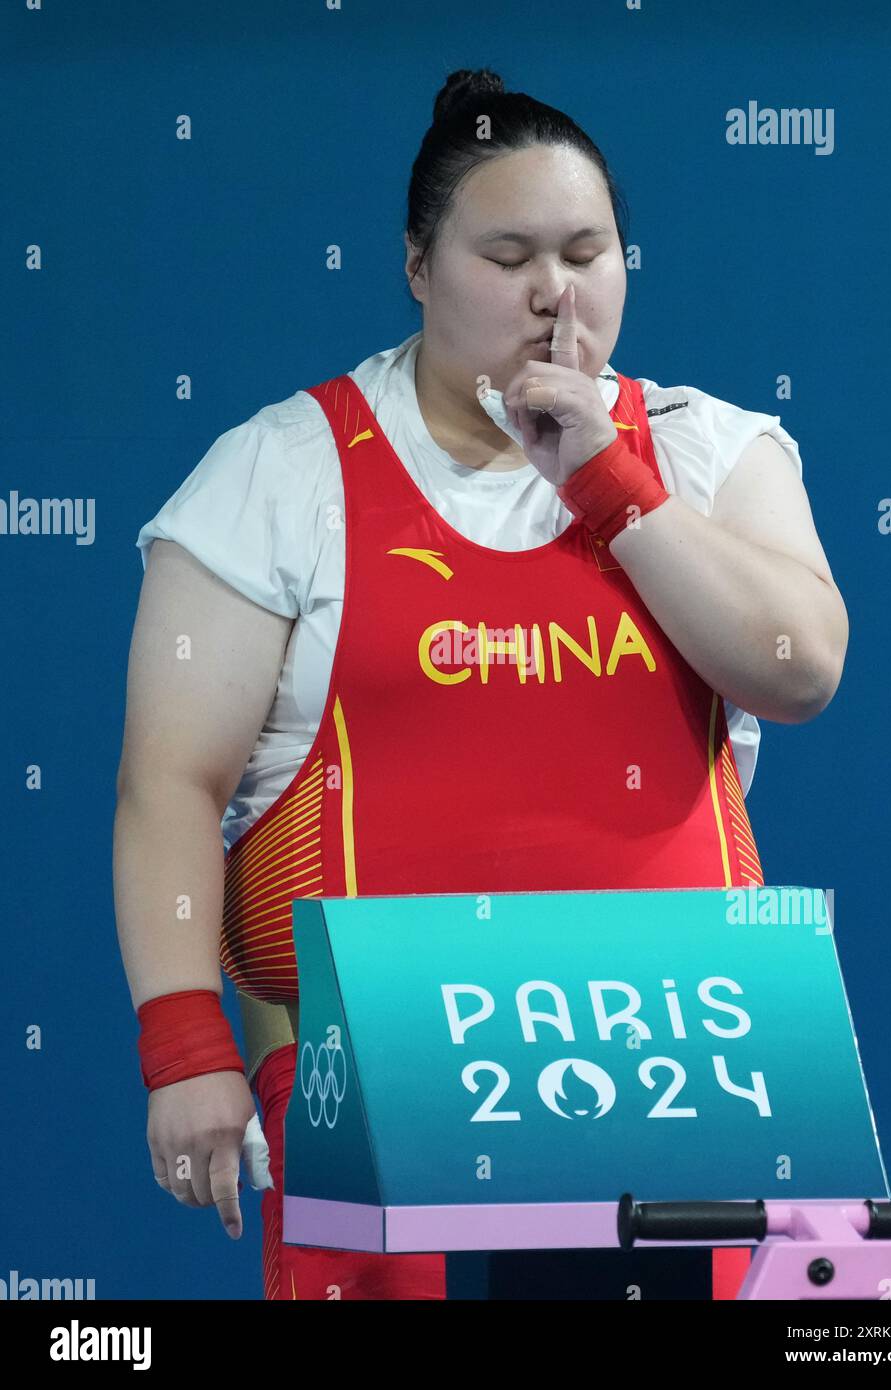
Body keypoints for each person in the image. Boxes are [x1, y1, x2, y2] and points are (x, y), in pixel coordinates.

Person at [113, 67, 849, 1302]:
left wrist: (609, 479)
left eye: (586, 252)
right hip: (374, 1093)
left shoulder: (710, 449)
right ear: (416, 265)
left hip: (678, 1085)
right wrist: (185, 1043)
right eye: (507, 257)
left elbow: (799, 670)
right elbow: (169, 785)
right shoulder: (278, 472)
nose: (554, 290)